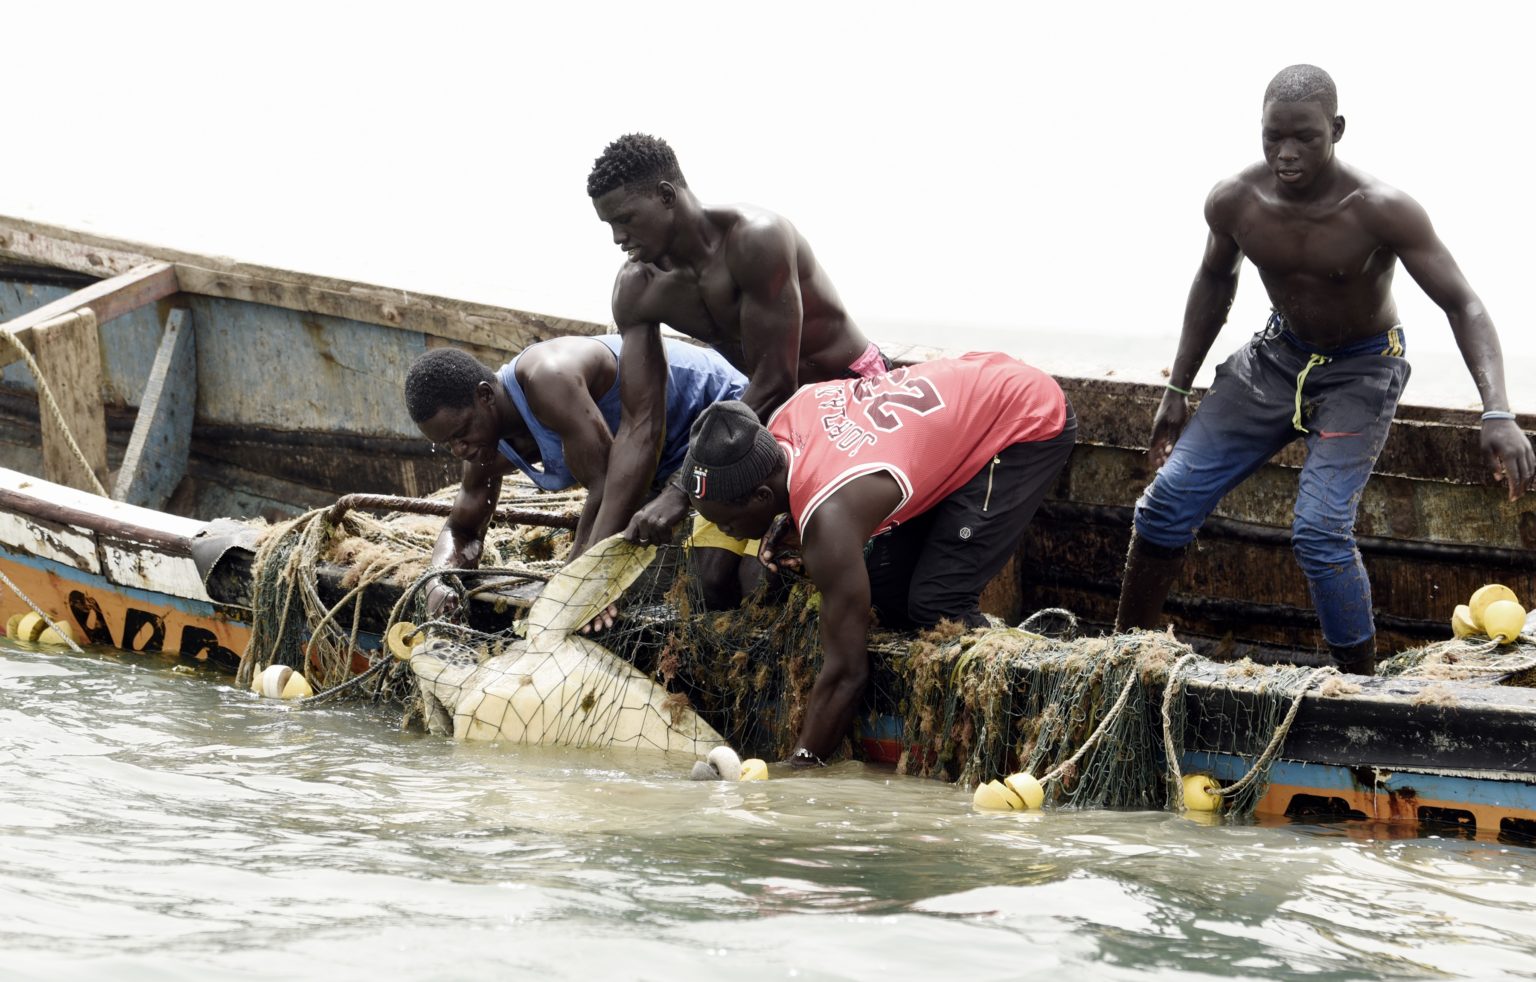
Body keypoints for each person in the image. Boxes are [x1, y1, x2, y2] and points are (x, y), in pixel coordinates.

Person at [1115, 64, 1536, 674]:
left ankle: (1359, 691)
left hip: (1361, 371)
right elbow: (1214, 279)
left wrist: (1497, 411)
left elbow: (1463, 303)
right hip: (1273, 359)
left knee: (1318, 531)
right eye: (1272, 137)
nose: (1286, 154)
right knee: (1163, 503)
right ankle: (1124, 658)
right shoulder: (1236, 200)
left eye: (1304, 138)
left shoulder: (1380, 209)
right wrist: (1177, 389)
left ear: (1336, 129)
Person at [680, 352, 1076, 766]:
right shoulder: (785, 417)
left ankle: (1013, 698)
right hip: (959, 405)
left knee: (937, 604)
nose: (724, 533)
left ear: (762, 498)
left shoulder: (829, 521)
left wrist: (800, 765)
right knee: (886, 593)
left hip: (1024, 416)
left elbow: (847, 673)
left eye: (724, 523)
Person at [586, 133, 892, 557]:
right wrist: (595, 554)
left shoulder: (755, 240)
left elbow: (775, 380)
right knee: (713, 570)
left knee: (816, 557)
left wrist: (682, 488)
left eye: (626, 219)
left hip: (852, 397)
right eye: (609, 225)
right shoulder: (637, 287)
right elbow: (640, 426)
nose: (618, 237)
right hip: (777, 419)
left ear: (666, 195)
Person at [403, 336, 751, 614]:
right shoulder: (482, 447)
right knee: (620, 590)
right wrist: (439, 578)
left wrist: (567, 587)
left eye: (461, 433)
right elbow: (462, 527)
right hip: (648, 468)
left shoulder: (548, 378)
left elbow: (606, 487)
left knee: (699, 586)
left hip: (719, 420)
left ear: (484, 396)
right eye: (447, 445)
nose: (460, 449)